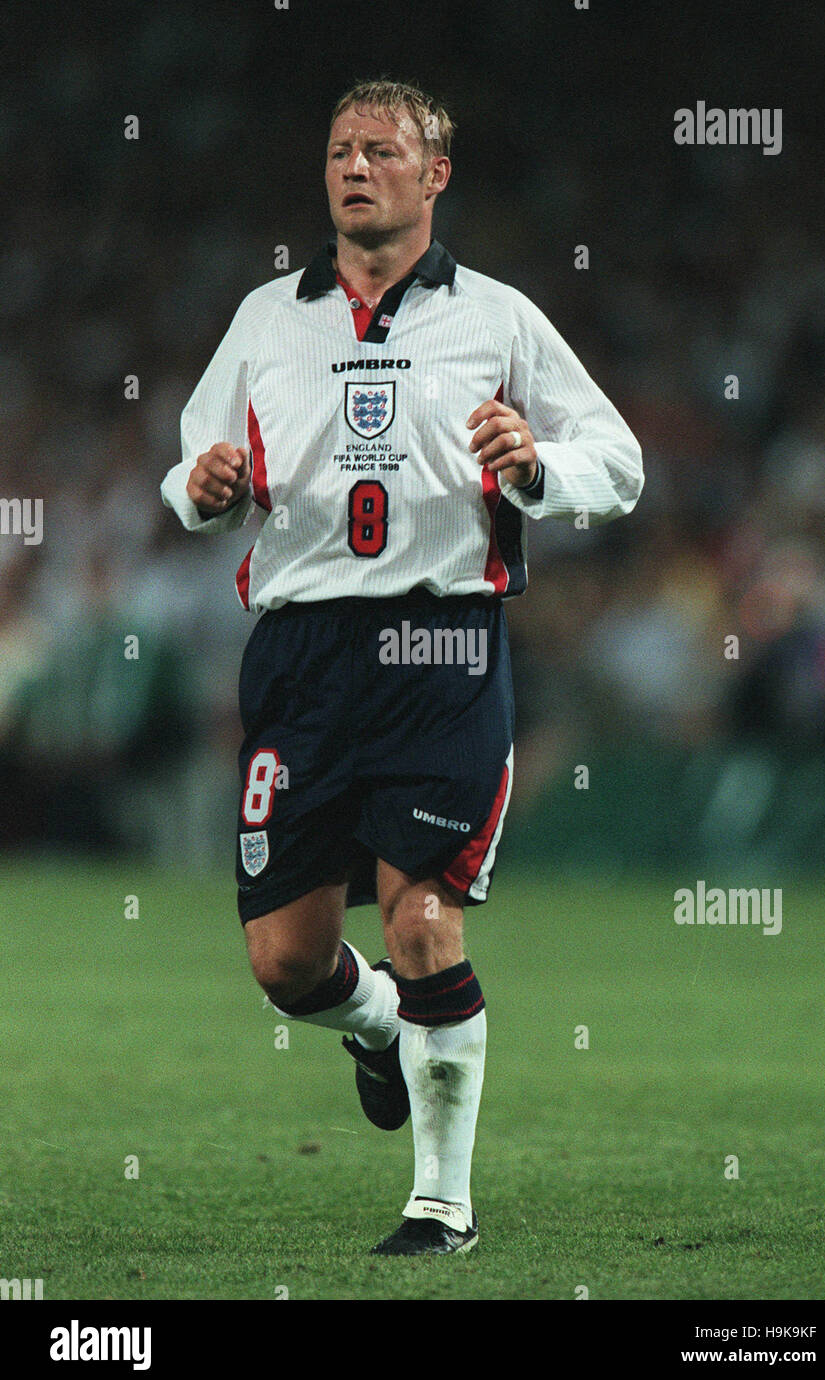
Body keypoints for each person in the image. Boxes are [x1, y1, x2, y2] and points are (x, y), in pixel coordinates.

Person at [160, 78, 643, 1255]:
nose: (354, 167)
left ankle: (441, 1202)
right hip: (300, 658)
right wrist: (201, 491)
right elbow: (187, 469)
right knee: (286, 964)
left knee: (423, 919)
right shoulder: (267, 317)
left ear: (434, 177)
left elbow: (617, 461)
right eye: (338, 150)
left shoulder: (500, 318)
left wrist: (536, 467)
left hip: (440, 646)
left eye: (382, 149)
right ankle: (374, 1022)